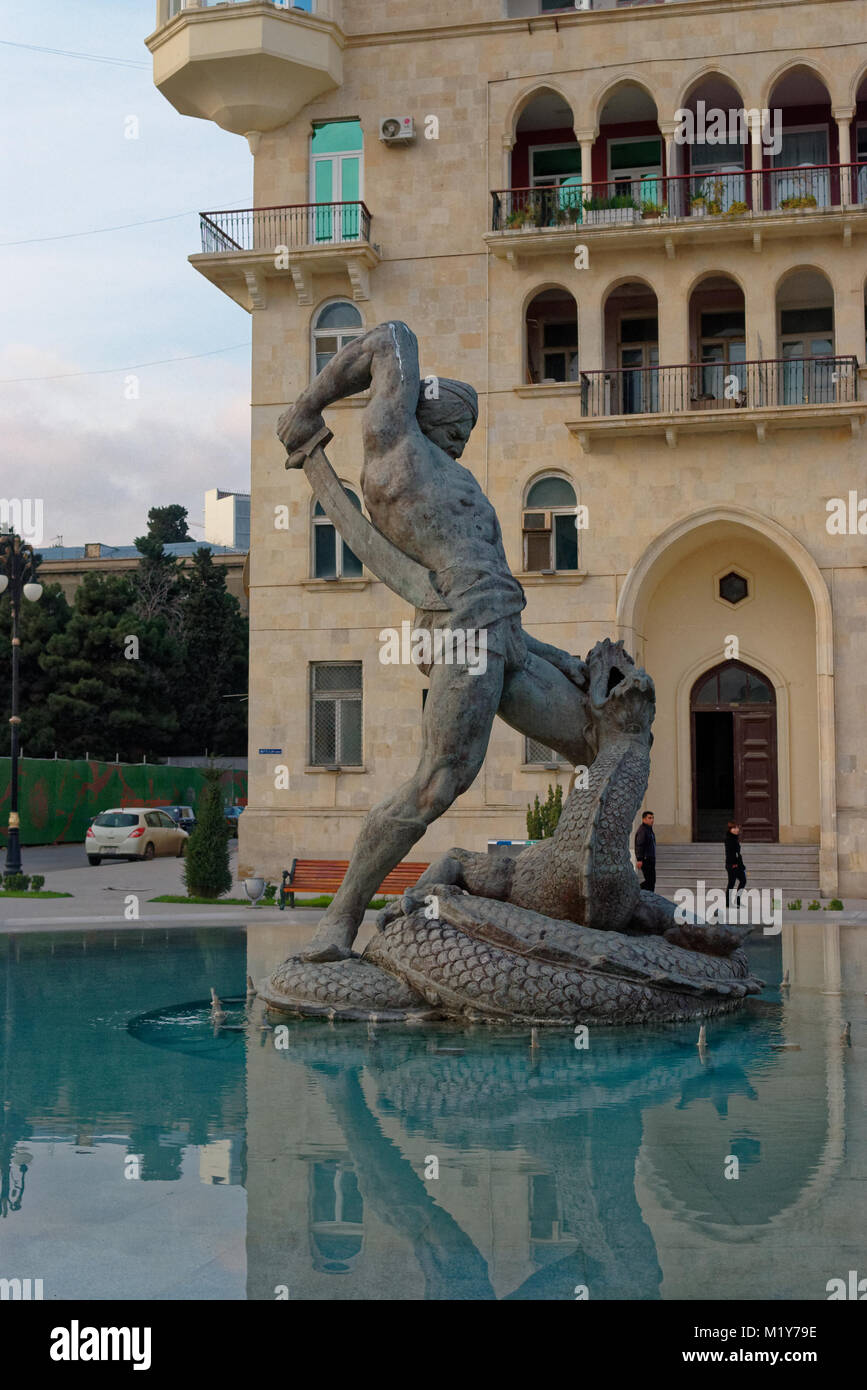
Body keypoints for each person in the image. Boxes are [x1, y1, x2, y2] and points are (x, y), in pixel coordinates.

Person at [278, 321, 598, 961]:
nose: (465, 436)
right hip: (459, 631)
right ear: (427, 413)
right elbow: (388, 337)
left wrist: (562, 658)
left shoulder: (462, 484)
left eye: (471, 428)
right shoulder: (395, 448)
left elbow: (497, 598)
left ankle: (580, 894)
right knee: (442, 778)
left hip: (503, 633)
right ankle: (338, 921)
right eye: (459, 422)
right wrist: (309, 406)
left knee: (596, 737)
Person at [725, 821, 746, 905]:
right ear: (730, 830)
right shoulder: (729, 839)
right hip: (732, 865)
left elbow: (738, 854)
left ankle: (737, 901)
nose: (736, 829)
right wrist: (733, 864)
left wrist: (741, 865)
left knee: (743, 881)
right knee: (731, 883)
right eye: (734, 828)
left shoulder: (735, 838)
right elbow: (730, 854)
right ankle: (728, 903)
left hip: (738, 865)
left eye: (737, 828)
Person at [634, 811, 656, 893]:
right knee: (650, 881)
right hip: (646, 859)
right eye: (649, 818)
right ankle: (636, 891)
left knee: (651, 881)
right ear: (644, 819)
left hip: (650, 859)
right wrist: (639, 859)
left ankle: (648, 896)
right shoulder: (642, 830)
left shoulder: (649, 830)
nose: (652, 820)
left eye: (652, 818)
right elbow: (639, 844)